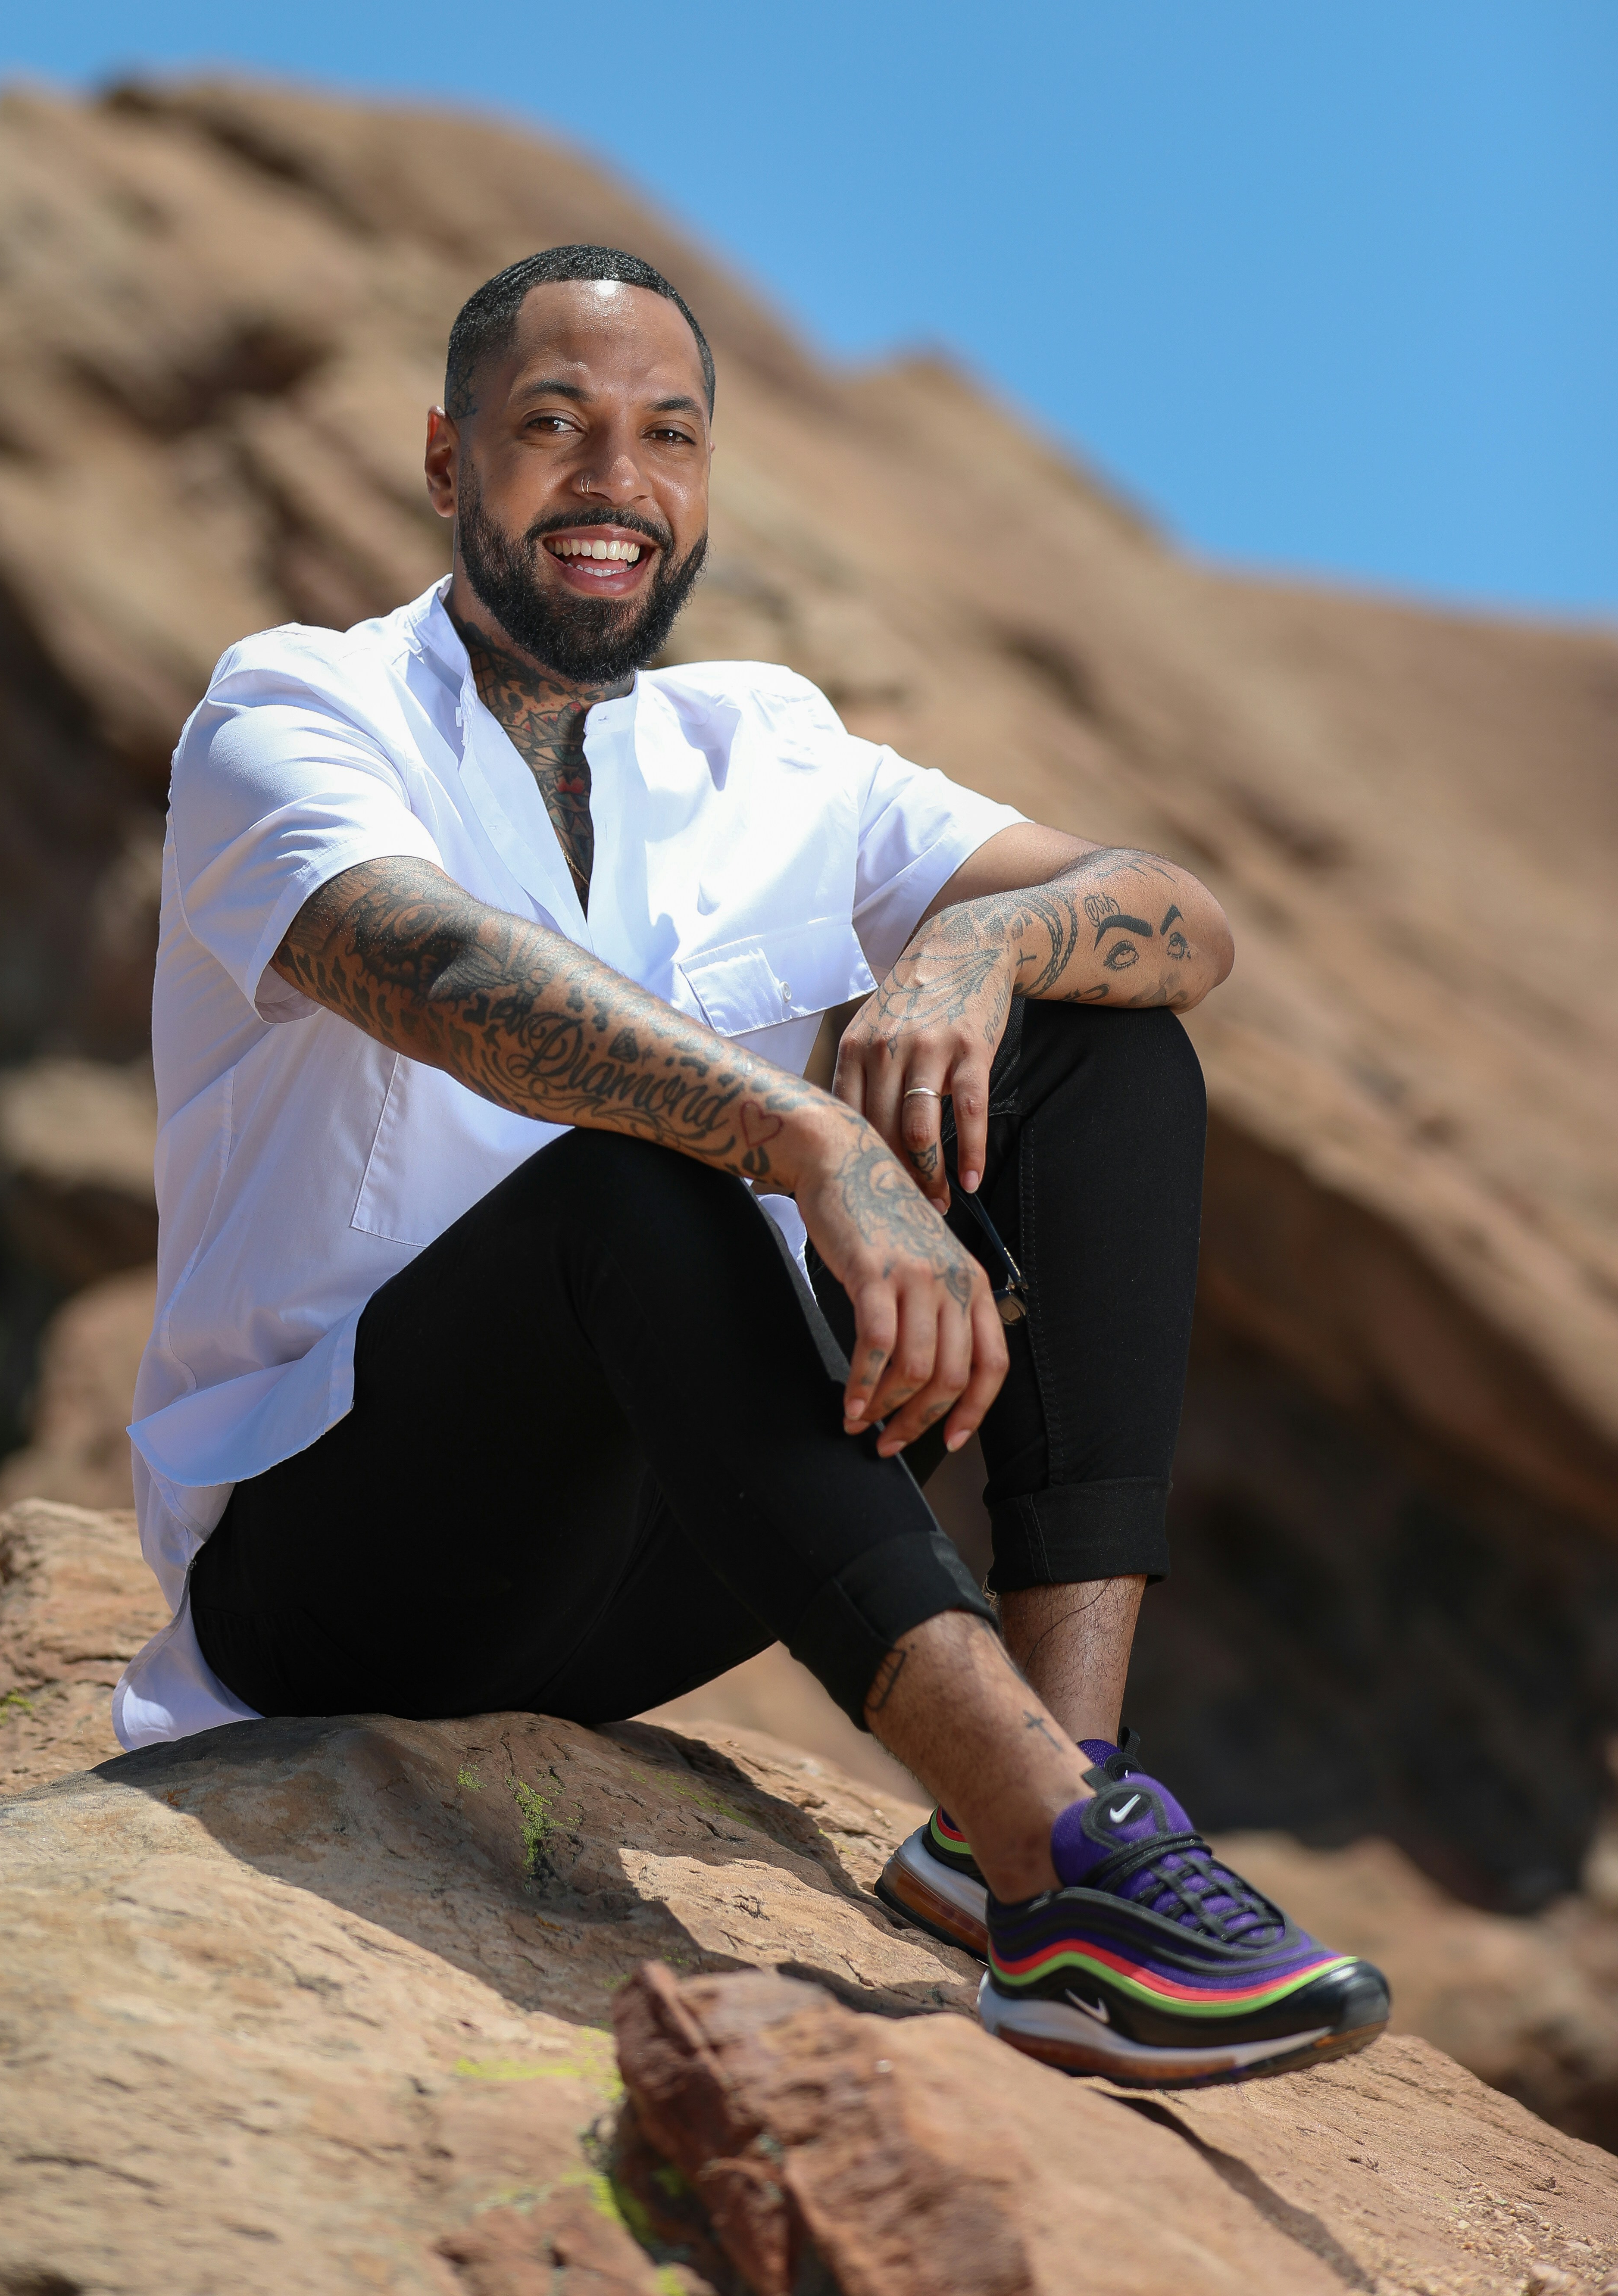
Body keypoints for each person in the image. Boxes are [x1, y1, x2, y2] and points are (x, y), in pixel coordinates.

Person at [115, 243, 1389, 2090]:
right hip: (340, 1574)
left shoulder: (763, 747)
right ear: (444, 463)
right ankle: (1069, 1859)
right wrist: (804, 1136)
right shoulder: (290, 714)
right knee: (635, 1177)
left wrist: (978, 950)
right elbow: (440, 969)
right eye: (551, 427)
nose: (612, 483)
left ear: (703, 482)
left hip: (648, 1559)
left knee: (1106, 1053)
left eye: (663, 437)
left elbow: (1175, 915)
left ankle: (1040, 1831)